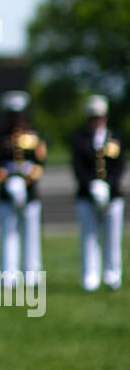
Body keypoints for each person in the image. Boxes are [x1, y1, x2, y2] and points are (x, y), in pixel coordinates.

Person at [0, 91, 46, 286]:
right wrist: (8, 179)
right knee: (8, 233)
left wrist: (28, 178)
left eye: (19, 115)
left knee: (31, 234)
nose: (16, 119)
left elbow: (40, 161)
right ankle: (8, 274)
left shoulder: (34, 134)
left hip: (30, 193)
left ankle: (32, 273)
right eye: (13, 115)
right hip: (7, 193)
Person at [71, 95, 124, 291]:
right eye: (93, 118)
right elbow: (78, 167)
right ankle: (90, 277)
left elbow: (119, 167)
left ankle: (112, 275)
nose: (97, 121)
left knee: (112, 238)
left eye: (100, 117)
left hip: (112, 196)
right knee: (89, 237)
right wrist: (91, 185)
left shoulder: (115, 138)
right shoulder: (80, 139)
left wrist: (108, 186)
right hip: (87, 195)